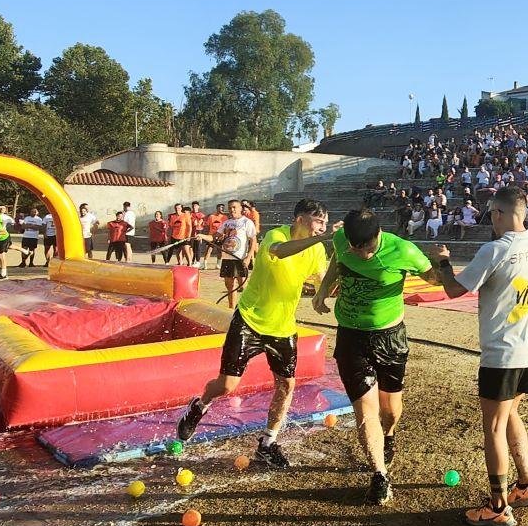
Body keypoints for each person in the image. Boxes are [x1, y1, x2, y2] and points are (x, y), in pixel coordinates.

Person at [429, 186, 528, 526]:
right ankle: (525, 486)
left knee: (495, 426)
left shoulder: (495, 250)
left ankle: (499, 506)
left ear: (499, 214)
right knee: (511, 413)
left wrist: (442, 262)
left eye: (491, 215)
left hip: (504, 353)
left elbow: (454, 289)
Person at [177, 200, 336, 466]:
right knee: (227, 385)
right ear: (299, 219)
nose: (322, 226)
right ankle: (199, 406)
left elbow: (324, 281)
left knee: (286, 384)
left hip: (283, 327)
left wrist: (334, 281)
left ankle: (268, 443)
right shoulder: (277, 236)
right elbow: (281, 252)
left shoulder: (317, 249)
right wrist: (329, 238)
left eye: (325, 222)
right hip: (250, 321)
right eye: (318, 221)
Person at [312, 209, 449, 506]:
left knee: (390, 410)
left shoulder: (403, 249)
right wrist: (323, 288)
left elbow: (435, 280)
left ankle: (389, 435)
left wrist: (442, 261)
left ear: (378, 235)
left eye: (368, 249)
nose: (362, 255)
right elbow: (337, 257)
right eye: (355, 248)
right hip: (351, 336)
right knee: (365, 411)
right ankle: (380, 475)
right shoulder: (340, 240)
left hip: (390, 338)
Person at [216, 200, 258, 306]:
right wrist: (202, 236)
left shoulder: (246, 222)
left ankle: (250, 307)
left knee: (243, 284)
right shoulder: (226, 223)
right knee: (229, 286)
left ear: (240, 208)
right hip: (227, 258)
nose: (232, 209)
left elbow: (253, 240)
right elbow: (214, 236)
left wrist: (248, 257)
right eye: (230, 208)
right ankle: (231, 308)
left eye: (234, 207)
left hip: (239, 258)